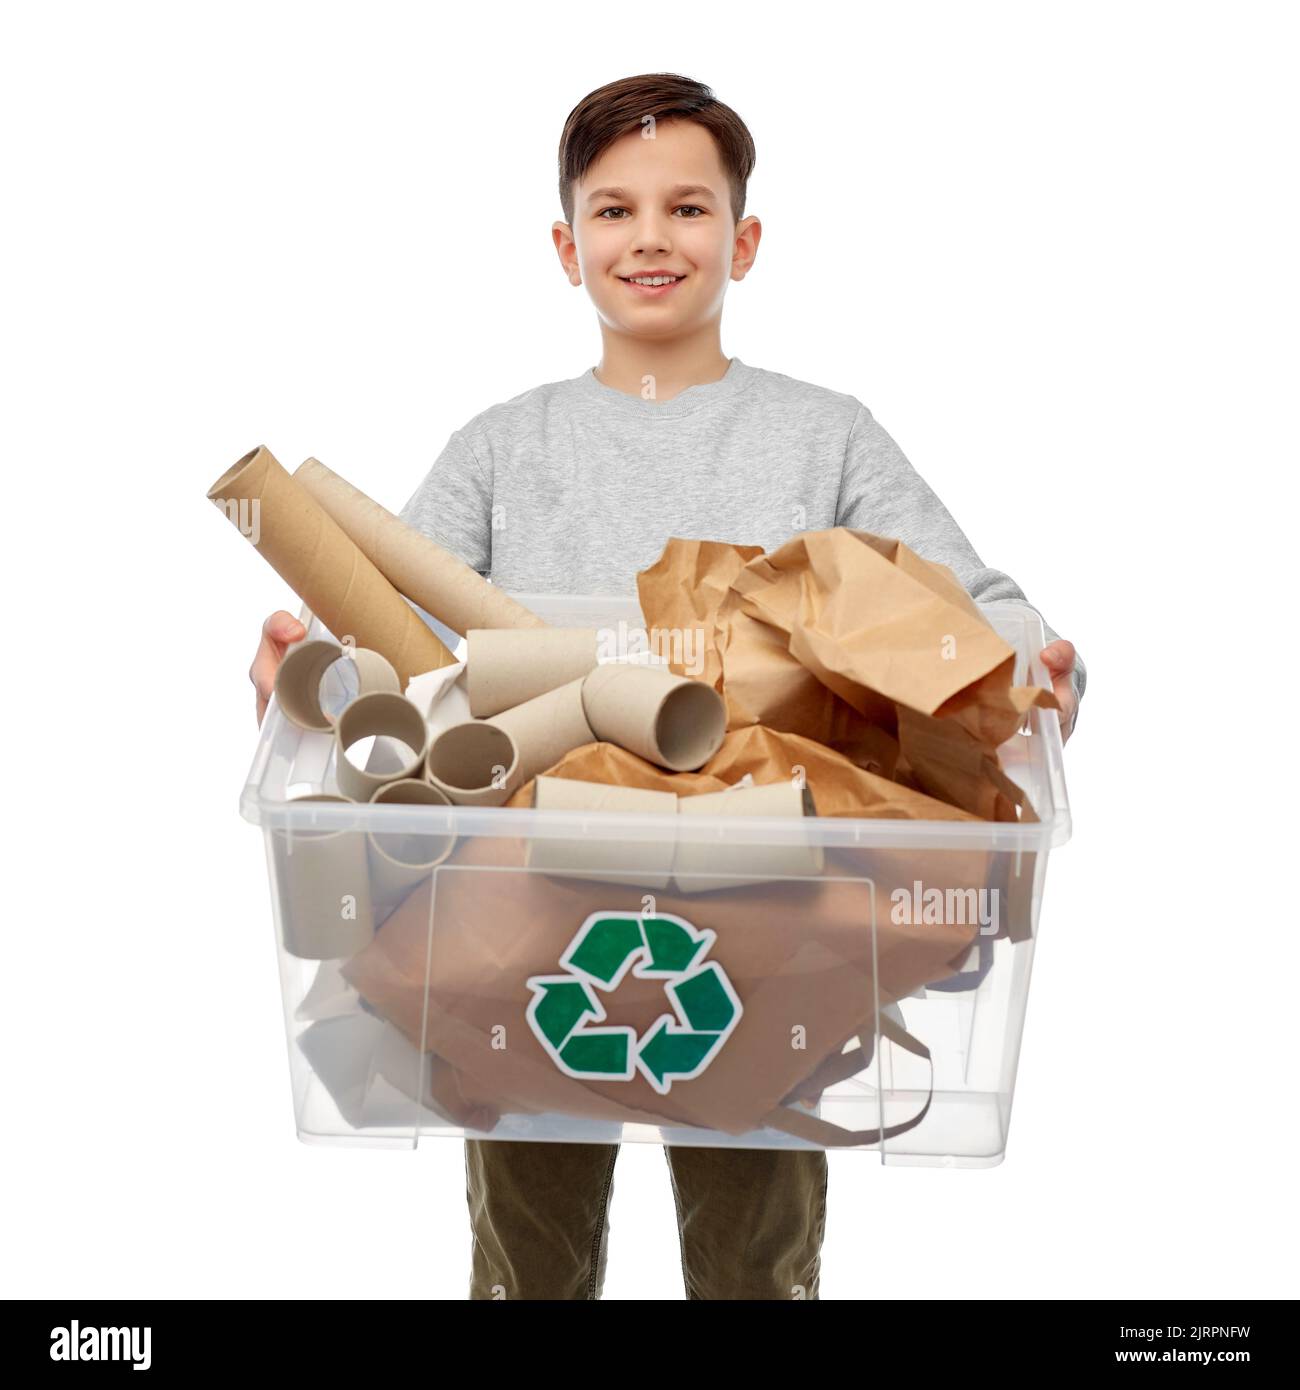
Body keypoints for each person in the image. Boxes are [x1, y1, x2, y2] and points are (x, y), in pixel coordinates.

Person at [249, 72, 1085, 1300]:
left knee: (757, 1242)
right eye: (614, 210)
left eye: (688, 208)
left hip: (768, 892)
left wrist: (1030, 663)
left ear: (742, 240)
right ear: (565, 244)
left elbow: (970, 600)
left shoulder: (824, 434)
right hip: (528, 884)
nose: (650, 237)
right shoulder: (502, 445)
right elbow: (401, 645)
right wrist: (306, 677)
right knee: (527, 1231)